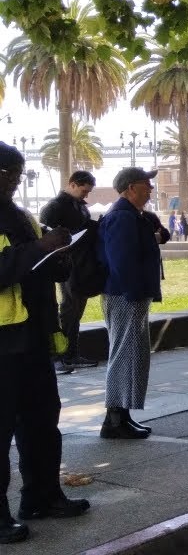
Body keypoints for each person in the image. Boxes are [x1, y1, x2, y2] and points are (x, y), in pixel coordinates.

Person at [0, 143, 90, 543]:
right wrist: (40, 248)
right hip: (3, 343)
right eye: (11, 174)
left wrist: (60, 258)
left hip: (32, 339)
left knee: (42, 423)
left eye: (19, 174)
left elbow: (37, 262)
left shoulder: (18, 215)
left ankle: (42, 496)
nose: (17, 181)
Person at [98, 167, 164, 439]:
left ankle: (122, 415)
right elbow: (121, 262)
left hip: (128, 294)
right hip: (125, 295)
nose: (150, 188)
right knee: (124, 354)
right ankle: (114, 419)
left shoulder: (129, 215)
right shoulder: (122, 217)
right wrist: (135, 292)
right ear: (129, 188)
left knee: (131, 355)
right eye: (145, 184)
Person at [39, 171, 98, 375]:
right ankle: (63, 355)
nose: (86, 196)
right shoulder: (54, 207)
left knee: (76, 309)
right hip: (67, 263)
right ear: (73, 184)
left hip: (80, 264)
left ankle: (72, 353)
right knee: (69, 309)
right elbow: (45, 234)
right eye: (84, 191)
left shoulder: (78, 205)